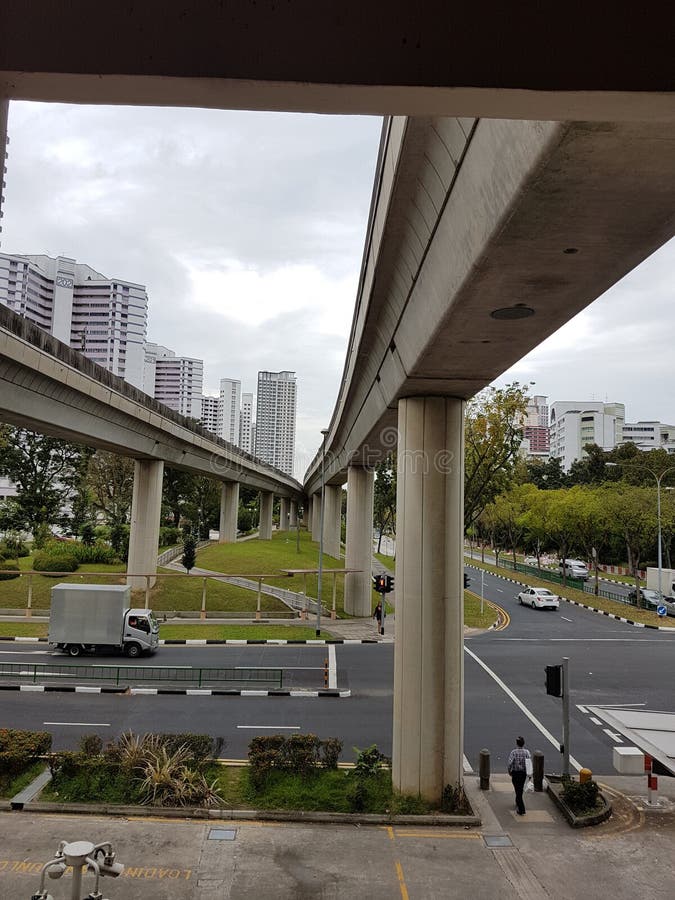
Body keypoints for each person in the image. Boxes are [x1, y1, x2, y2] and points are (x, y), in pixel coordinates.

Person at [507, 736, 531, 815]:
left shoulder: (513, 752)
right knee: (520, 788)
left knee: (517, 789)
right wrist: (529, 774)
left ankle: (521, 808)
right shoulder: (527, 752)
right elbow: (529, 764)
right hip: (523, 773)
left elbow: (510, 763)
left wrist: (509, 771)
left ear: (517, 743)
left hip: (515, 773)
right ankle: (518, 801)